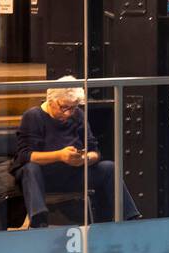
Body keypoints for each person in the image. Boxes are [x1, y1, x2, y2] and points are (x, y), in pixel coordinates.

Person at [13, 79, 141, 228]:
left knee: (109, 168)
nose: (68, 113)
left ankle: (130, 220)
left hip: (73, 173)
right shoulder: (33, 116)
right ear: (51, 101)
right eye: (64, 107)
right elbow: (24, 156)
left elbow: (95, 151)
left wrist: (85, 158)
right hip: (44, 176)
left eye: (73, 108)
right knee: (30, 168)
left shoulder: (78, 115)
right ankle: (39, 222)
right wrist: (60, 155)